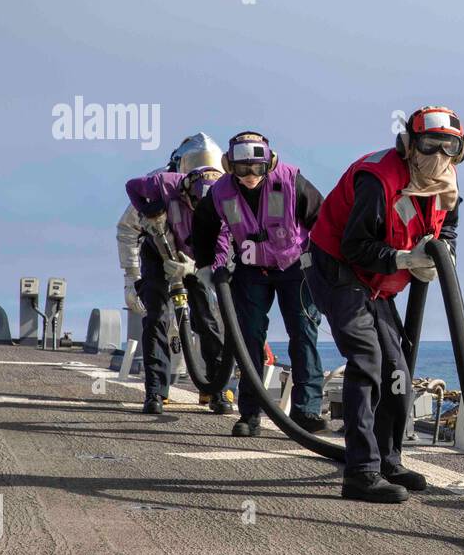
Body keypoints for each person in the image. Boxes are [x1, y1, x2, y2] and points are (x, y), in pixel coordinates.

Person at [305, 107, 463, 503]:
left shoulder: (446, 184)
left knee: (398, 367)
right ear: (409, 145)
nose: (439, 156)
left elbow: (450, 228)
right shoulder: (379, 180)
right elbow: (354, 246)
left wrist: (446, 255)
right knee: (367, 361)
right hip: (338, 270)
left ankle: (389, 459)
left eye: (451, 147)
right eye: (430, 145)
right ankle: (360, 472)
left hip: (378, 283)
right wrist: (405, 260)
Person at [192, 131, 327, 438]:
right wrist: (204, 266)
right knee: (249, 338)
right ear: (229, 166)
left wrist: (323, 263)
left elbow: (322, 218)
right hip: (250, 271)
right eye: (242, 169)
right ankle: (250, 414)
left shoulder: (292, 181)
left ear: (269, 164)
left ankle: (306, 411)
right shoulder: (220, 192)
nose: (250, 176)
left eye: (257, 168)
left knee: (303, 334)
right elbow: (203, 225)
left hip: (295, 268)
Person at [122, 133, 232, 415]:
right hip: (157, 253)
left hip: (196, 256)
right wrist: (131, 279)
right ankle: (156, 392)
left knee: (207, 319)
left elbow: (224, 245)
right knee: (156, 316)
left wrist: (193, 268)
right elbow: (127, 229)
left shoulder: (224, 195)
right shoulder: (160, 183)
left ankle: (215, 388)